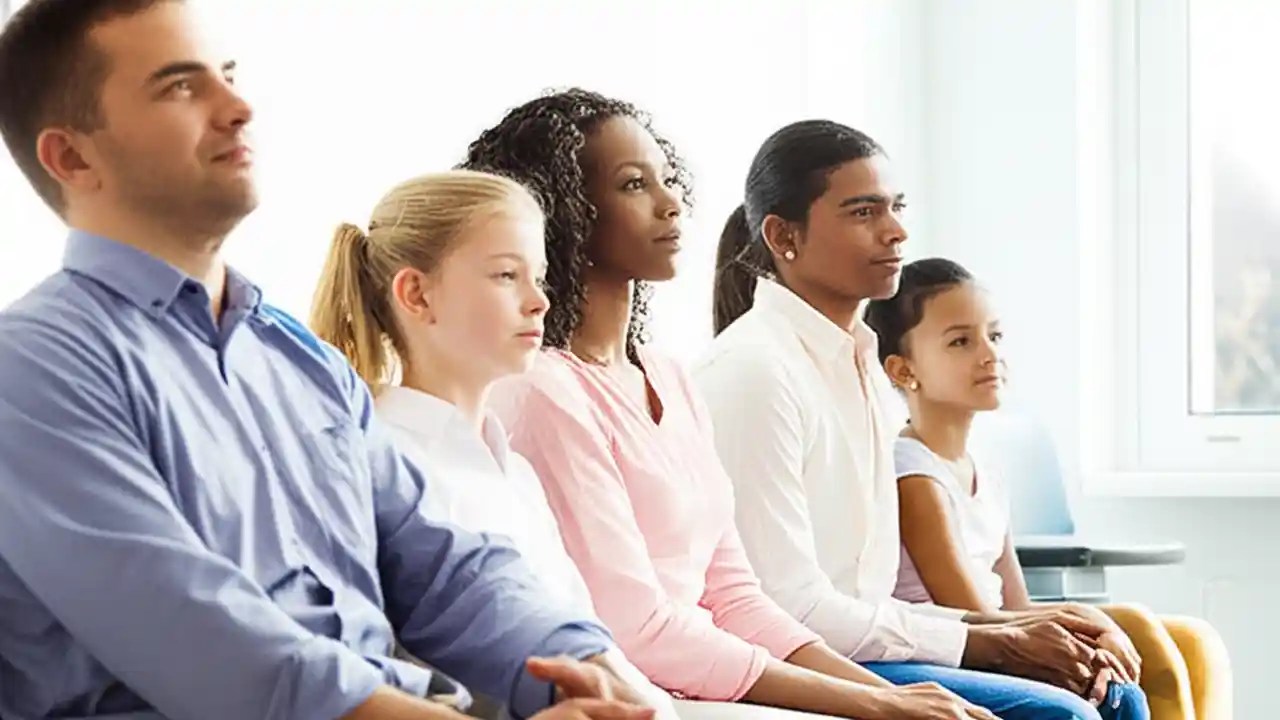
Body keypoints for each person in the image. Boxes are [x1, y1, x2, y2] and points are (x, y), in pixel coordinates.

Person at [0, 3, 653, 719]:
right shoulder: (33, 369)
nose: (240, 107)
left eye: (228, 76)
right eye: (180, 87)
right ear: (71, 156)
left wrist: (581, 670)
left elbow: (446, 565)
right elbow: (196, 640)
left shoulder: (299, 361)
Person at [461, 87, 1002, 720]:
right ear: (562, 212)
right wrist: (871, 705)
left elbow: (736, 596)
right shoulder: (543, 391)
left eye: (667, 179)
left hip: (710, 672)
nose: (671, 203)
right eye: (634, 185)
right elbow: (640, 633)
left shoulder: (668, 375)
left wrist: (886, 695)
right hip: (640, 690)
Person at [308, 168, 846, 720]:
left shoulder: (511, 468)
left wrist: (652, 709)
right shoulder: (381, 462)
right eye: (505, 276)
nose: (538, 301)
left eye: (538, 277)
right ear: (417, 294)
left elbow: (586, 633)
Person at [692, 119, 1150, 720]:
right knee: (1059, 713)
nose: (897, 231)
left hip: (861, 640)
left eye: (896, 207)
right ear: (784, 236)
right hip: (800, 657)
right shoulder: (754, 371)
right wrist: (990, 640)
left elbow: (868, 601)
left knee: (1115, 691)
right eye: (863, 213)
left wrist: (1055, 625)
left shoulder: (857, 366)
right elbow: (788, 607)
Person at [862, 257, 1233, 720]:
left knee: (1121, 692)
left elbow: (1017, 604)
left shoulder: (988, 472)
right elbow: (974, 613)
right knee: (1108, 700)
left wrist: (1088, 632)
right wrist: (1089, 623)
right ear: (902, 370)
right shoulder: (912, 471)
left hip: (1001, 633)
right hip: (951, 646)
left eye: (994, 336)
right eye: (961, 341)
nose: (989, 354)